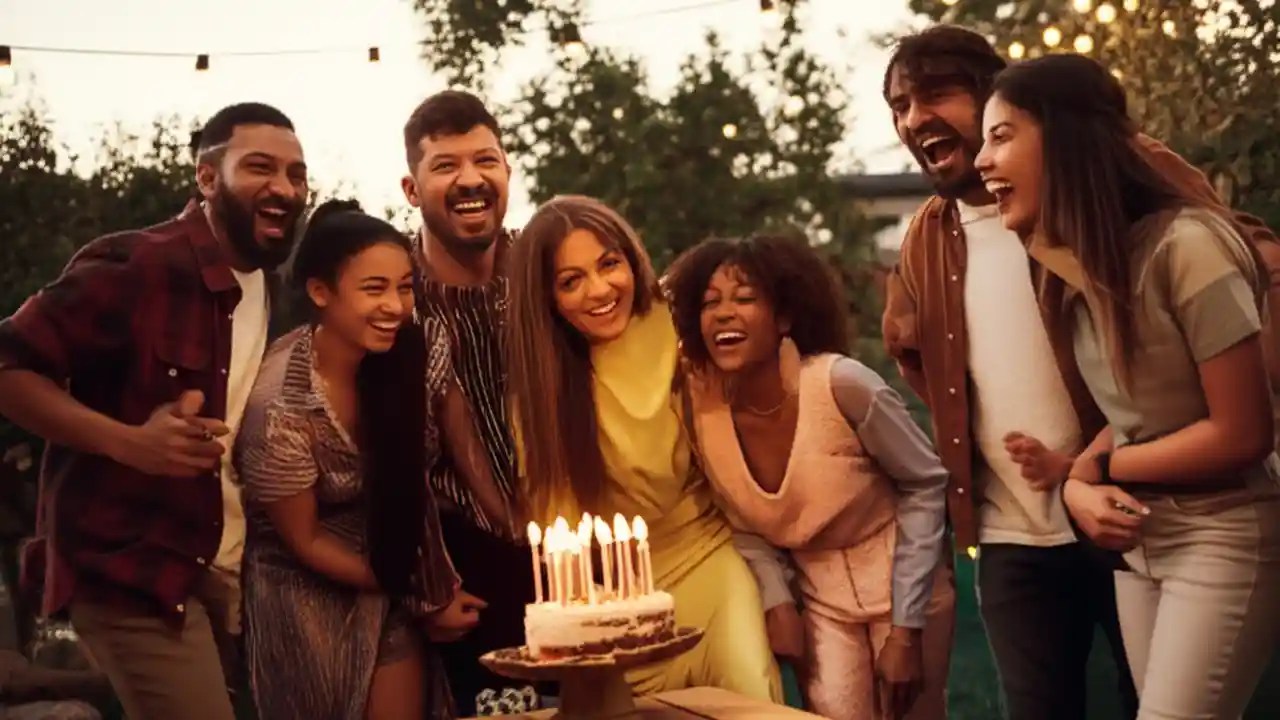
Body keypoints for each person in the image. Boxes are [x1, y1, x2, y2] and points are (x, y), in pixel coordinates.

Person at [879, 25, 1280, 720]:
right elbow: (911, 351)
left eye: (936, 93)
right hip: (1018, 532)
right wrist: (1024, 467)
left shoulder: (1120, 190)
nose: (914, 119)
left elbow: (1250, 265)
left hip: (1149, 510)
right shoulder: (933, 235)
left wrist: (1102, 466)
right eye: (899, 106)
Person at [0, 102, 306, 720]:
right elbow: (8, 366)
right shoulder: (137, 265)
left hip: (224, 571)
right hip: (130, 571)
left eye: (296, 174)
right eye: (260, 167)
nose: (283, 187)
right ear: (207, 178)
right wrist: (127, 441)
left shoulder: (282, 292)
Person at [235, 200, 508, 720]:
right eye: (373, 289)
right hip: (306, 588)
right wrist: (423, 594)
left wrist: (509, 520)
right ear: (321, 292)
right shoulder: (282, 405)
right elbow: (304, 540)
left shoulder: (417, 344)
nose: (396, 305)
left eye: (405, 286)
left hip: (393, 552)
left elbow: (462, 443)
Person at [665, 234, 955, 720]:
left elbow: (925, 484)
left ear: (784, 317)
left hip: (905, 583)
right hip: (819, 598)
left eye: (745, 298)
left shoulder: (843, 384)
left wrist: (906, 630)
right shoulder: (704, 415)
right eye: (710, 303)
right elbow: (743, 524)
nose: (724, 314)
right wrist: (779, 604)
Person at [506, 195, 781, 701]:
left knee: (749, 694)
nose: (600, 289)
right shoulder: (541, 400)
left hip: (707, 559)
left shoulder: (680, 321)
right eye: (571, 281)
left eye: (609, 264)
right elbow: (559, 537)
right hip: (615, 600)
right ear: (547, 299)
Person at [399, 89, 534, 714]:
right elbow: (377, 453)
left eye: (486, 160)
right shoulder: (389, 294)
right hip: (461, 569)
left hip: (576, 552)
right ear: (411, 188)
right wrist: (427, 584)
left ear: (508, 171)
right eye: (445, 166)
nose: (470, 179)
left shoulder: (545, 268)